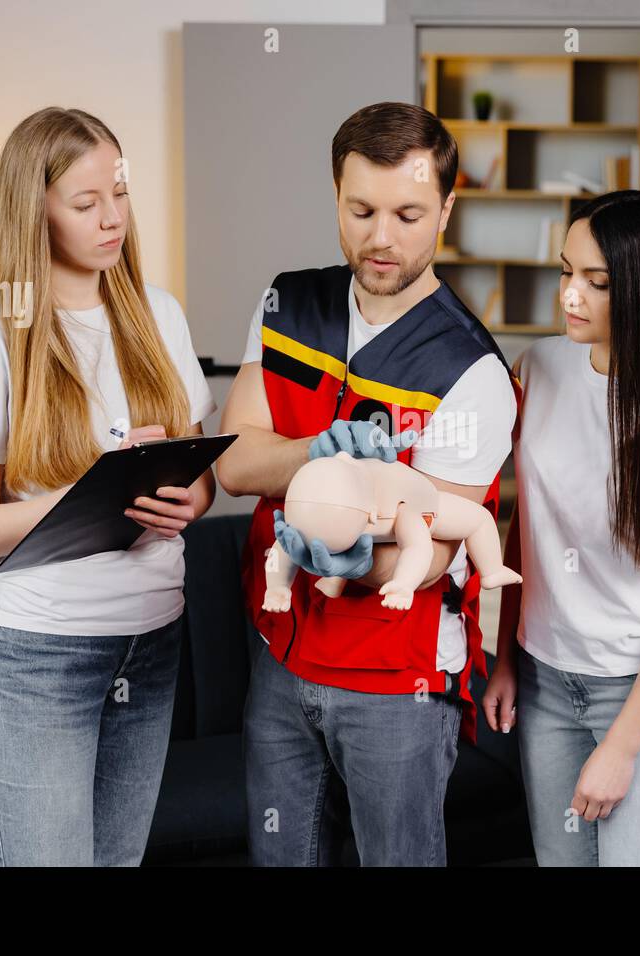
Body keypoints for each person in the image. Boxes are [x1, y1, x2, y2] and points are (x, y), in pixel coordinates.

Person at [216, 101, 518, 866]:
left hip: (396, 681)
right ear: (336, 197)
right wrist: (320, 450)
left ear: (447, 208)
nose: (381, 238)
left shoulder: (471, 371)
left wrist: (346, 565)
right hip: (279, 659)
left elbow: (440, 553)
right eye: (361, 210)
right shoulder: (287, 305)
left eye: (409, 213)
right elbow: (233, 465)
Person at [0, 107, 218, 865]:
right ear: (36, 211)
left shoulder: (159, 314)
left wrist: (190, 496)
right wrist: (94, 492)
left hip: (153, 638)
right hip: (39, 653)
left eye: (119, 195)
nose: (112, 219)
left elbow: (201, 478)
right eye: (86, 203)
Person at [483, 190, 640, 866]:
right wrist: (507, 654)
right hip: (545, 681)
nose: (569, 295)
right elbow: (526, 527)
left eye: (596, 283)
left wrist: (623, 745)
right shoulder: (536, 369)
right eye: (566, 272)